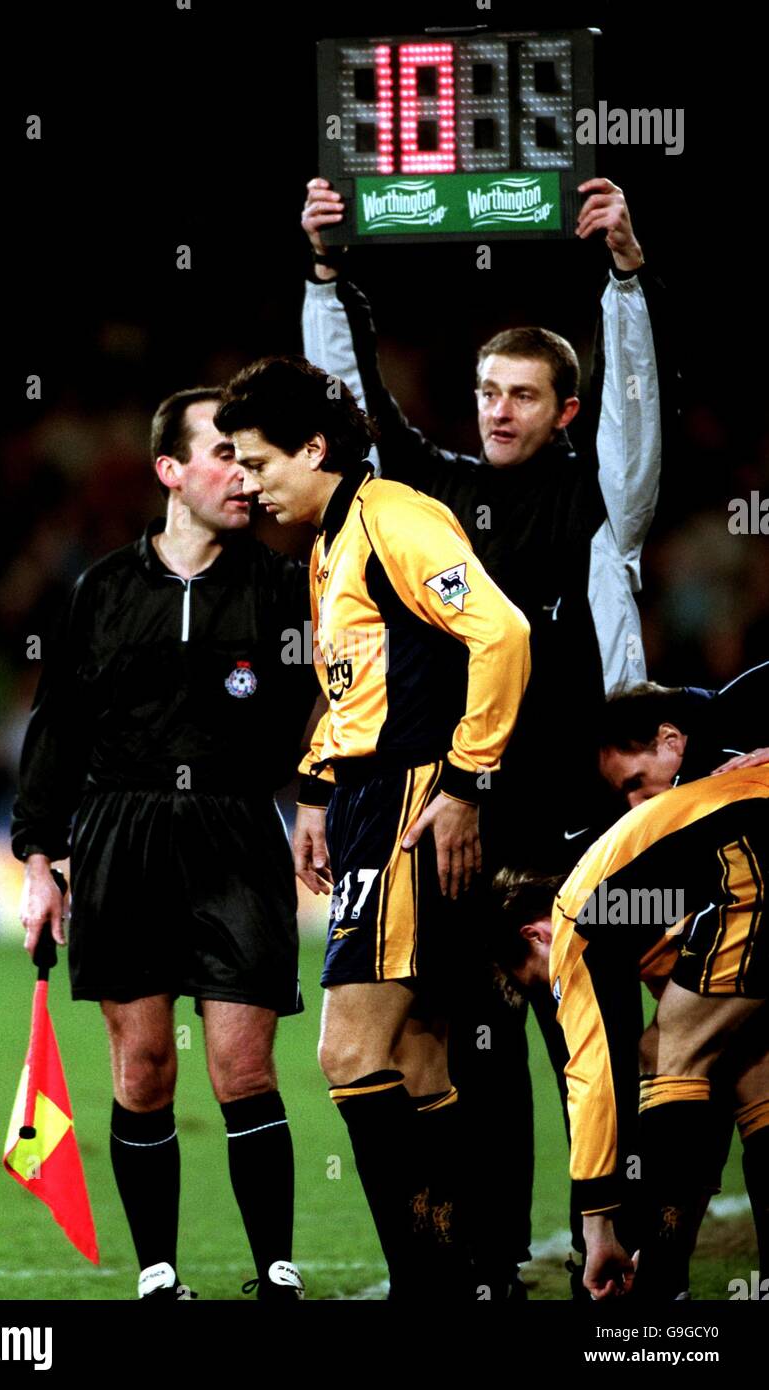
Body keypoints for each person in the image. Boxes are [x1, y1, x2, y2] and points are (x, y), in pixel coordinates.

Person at [301, 173, 675, 1291]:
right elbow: (350, 408)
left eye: (522, 394)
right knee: (478, 1058)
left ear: (563, 410)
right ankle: (496, 1262)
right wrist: (328, 273)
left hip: (579, 824)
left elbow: (634, 418)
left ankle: (625, 1243)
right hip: (456, 823)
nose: (496, 408)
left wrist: (623, 280)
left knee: (600, 1044)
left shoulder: (599, 502)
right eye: (484, 390)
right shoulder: (429, 498)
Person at [214, 354, 531, 1300]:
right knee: (421, 1050)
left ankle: (425, 1282)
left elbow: (504, 634)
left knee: (349, 1052)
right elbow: (353, 684)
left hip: (409, 799)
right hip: (364, 798)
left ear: (315, 447)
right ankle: (467, 1275)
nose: (245, 482)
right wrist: (313, 787)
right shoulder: (329, 540)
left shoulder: (394, 515)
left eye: (258, 461)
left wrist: (468, 781)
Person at [12, 387, 318, 1301]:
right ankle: (159, 1276)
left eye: (253, 455)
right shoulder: (101, 589)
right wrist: (38, 858)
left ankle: (275, 1272)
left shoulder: (281, 587)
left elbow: (340, 695)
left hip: (234, 831)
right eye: (223, 453)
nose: (244, 472)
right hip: (121, 835)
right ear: (170, 472)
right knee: (143, 1070)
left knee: (241, 1065)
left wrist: (313, 794)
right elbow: (55, 730)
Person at [490, 768, 769, 1301]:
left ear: (535, 934)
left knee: (668, 1055)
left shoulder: (574, 923)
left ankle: (659, 1287)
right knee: (749, 1069)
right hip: (751, 840)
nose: (556, 997)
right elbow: (690, 953)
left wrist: (597, 1226)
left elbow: (590, 1082)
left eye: (539, 983)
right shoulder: (622, 890)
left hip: (749, 852)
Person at [599, 660, 769, 809]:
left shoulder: (752, 697)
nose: (635, 805)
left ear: (670, 741)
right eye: (624, 795)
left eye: (636, 782)